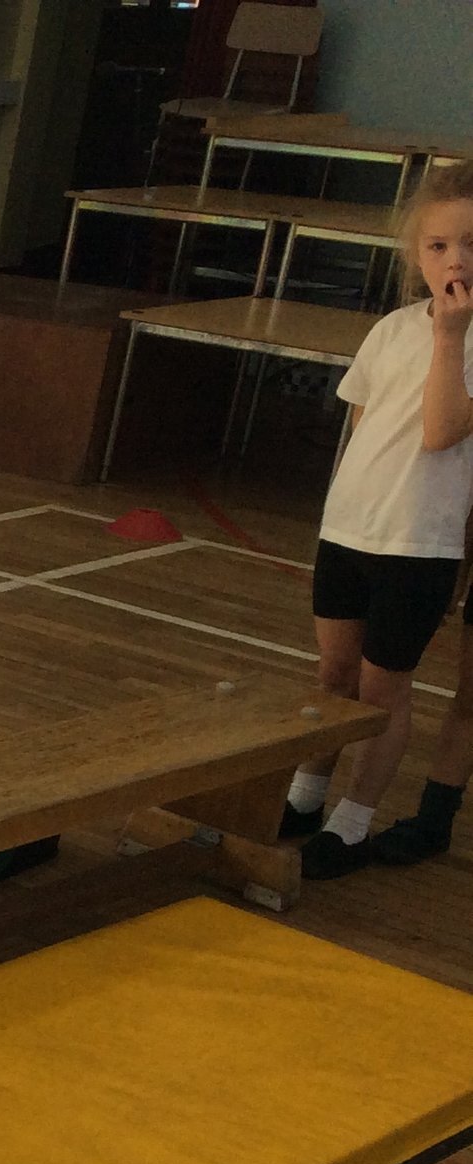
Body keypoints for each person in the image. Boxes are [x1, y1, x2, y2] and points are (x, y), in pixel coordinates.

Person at [280, 160, 473, 880]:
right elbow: (360, 430)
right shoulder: (392, 329)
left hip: (418, 545)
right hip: (350, 533)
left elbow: (441, 430)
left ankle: (354, 821)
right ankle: (307, 793)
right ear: (415, 253)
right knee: (333, 673)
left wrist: (452, 337)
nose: (455, 261)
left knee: (383, 687)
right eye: (439, 246)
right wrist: (339, 516)